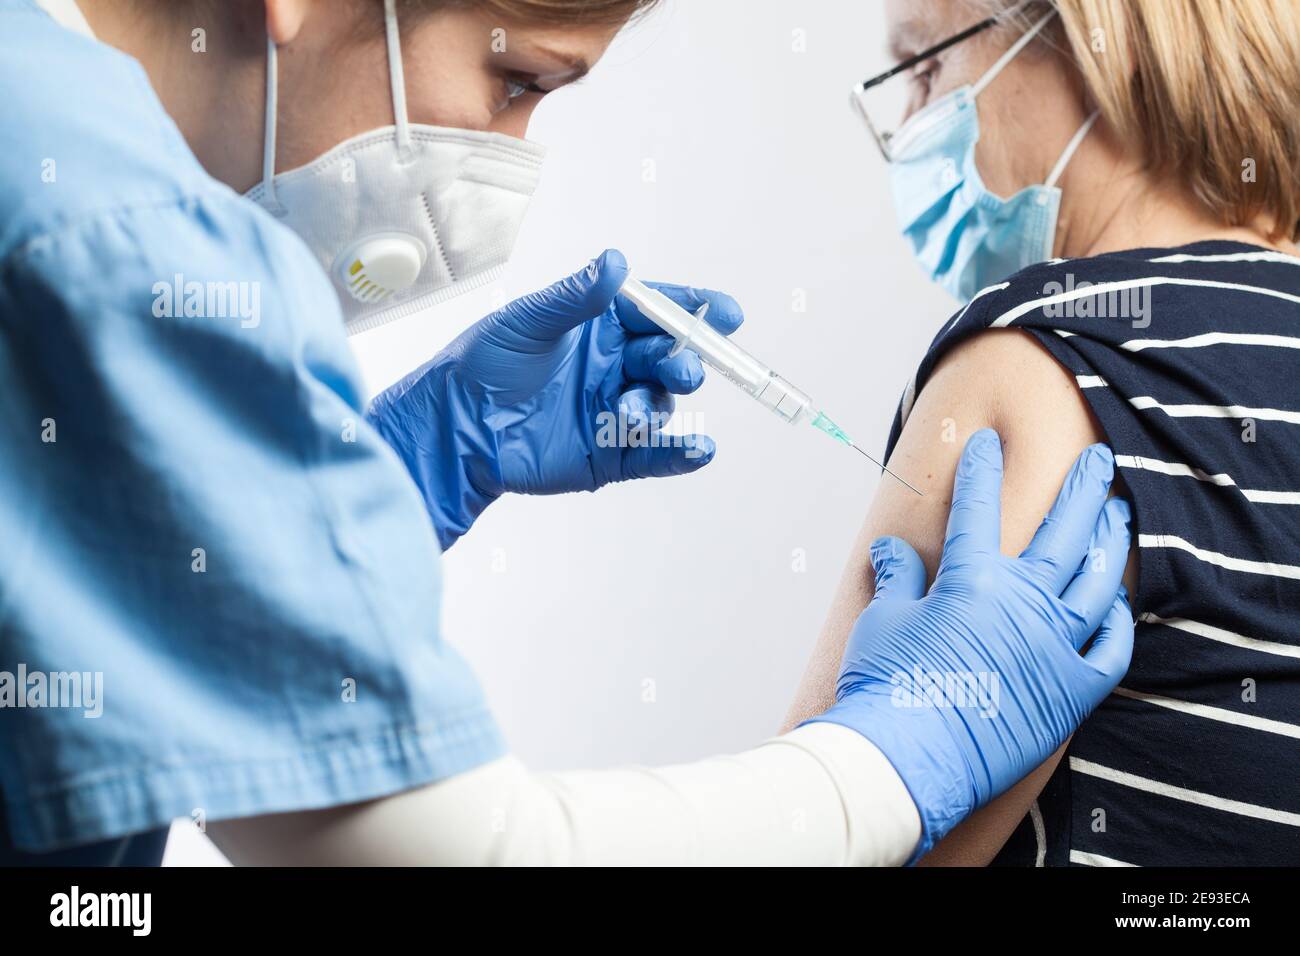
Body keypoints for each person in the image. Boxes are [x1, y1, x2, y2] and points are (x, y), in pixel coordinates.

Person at [0, 0, 1130, 866]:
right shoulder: (117, 242)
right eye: (515, 76)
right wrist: (886, 761)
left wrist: (403, 464)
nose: (514, 154)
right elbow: (458, 851)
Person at [785, 0, 1300, 866]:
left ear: (1110, 46)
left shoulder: (1047, 369)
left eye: (925, 65)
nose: (910, 125)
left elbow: (817, 847)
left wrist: (896, 760)